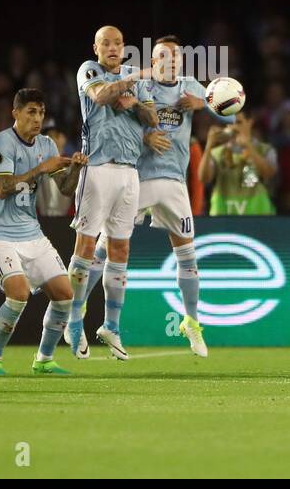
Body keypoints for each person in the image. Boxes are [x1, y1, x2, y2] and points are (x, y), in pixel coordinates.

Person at [70, 35, 234, 360]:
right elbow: (119, 100)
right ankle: (77, 308)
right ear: (153, 59)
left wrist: (202, 105)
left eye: (173, 57)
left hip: (175, 182)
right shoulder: (142, 81)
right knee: (105, 247)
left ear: (182, 61)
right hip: (138, 177)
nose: (167, 62)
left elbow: (230, 113)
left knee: (187, 252)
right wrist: (146, 132)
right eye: (160, 57)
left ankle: (192, 322)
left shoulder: (191, 87)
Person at [0, 88, 87, 375]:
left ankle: (44, 359)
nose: (38, 118)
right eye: (31, 112)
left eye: (41, 112)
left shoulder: (47, 145)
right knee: (18, 294)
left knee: (65, 294)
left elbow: (65, 189)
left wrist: (75, 169)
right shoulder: (3, 143)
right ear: (16, 113)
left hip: (31, 232)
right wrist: (40, 168)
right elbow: (2, 189)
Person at [66, 25, 157, 360]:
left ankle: (111, 327)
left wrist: (132, 103)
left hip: (129, 170)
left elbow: (152, 117)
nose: (112, 47)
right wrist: (126, 86)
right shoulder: (89, 71)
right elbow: (100, 96)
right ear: (96, 48)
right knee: (87, 246)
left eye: (117, 43)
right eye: (106, 43)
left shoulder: (134, 77)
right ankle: (74, 319)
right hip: (97, 167)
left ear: (124, 47)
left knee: (120, 250)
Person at [199, 110, 278, 215]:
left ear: (250, 122)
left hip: (258, 218)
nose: (234, 127)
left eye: (238, 122)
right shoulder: (217, 153)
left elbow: (268, 174)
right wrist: (208, 147)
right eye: (230, 123)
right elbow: (203, 178)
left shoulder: (265, 150)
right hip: (223, 218)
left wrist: (248, 147)